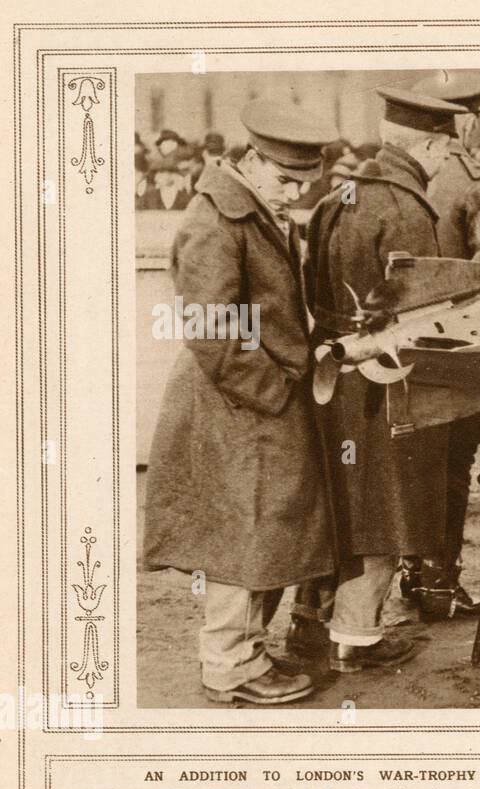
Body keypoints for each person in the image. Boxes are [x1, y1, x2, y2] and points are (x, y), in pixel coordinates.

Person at [143, 99, 337, 705]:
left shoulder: (253, 205)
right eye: (285, 181)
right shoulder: (217, 218)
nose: (293, 195)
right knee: (238, 538)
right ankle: (228, 665)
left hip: (256, 404)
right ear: (252, 161)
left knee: (265, 533)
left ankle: (248, 651)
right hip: (234, 406)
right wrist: (276, 390)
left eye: (304, 185)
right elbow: (209, 329)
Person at [288, 84, 468, 672]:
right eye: (447, 147)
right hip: (385, 380)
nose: (447, 159)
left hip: (332, 372)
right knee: (387, 510)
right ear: (430, 145)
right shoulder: (405, 208)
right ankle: (358, 637)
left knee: (338, 506)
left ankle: (307, 625)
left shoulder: (340, 191)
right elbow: (419, 308)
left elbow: (313, 289)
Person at [397, 70, 480, 620]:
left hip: (391, 351)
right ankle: (441, 583)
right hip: (453, 349)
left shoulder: (383, 177)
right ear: (458, 121)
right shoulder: (472, 181)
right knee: (452, 463)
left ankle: (411, 574)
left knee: (407, 466)